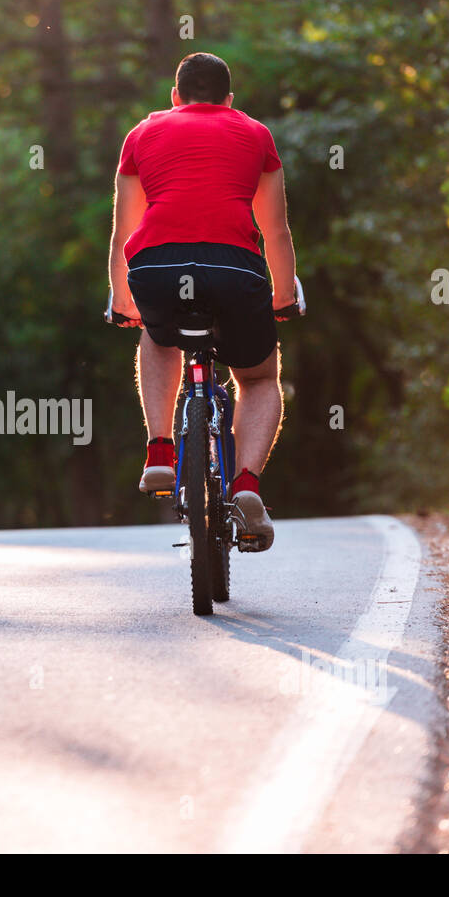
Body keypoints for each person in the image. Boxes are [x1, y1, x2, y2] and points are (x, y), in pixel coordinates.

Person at [107, 51, 296, 551]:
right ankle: (247, 486)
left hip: (157, 266)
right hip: (233, 267)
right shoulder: (255, 135)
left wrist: (123, 299)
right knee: (257, 378)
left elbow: (123, 230)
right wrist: (283, 295)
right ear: (229, 101)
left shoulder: (142, 135)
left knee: (157, 332)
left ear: (175, 98)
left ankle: (160, 451)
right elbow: (274, 229)